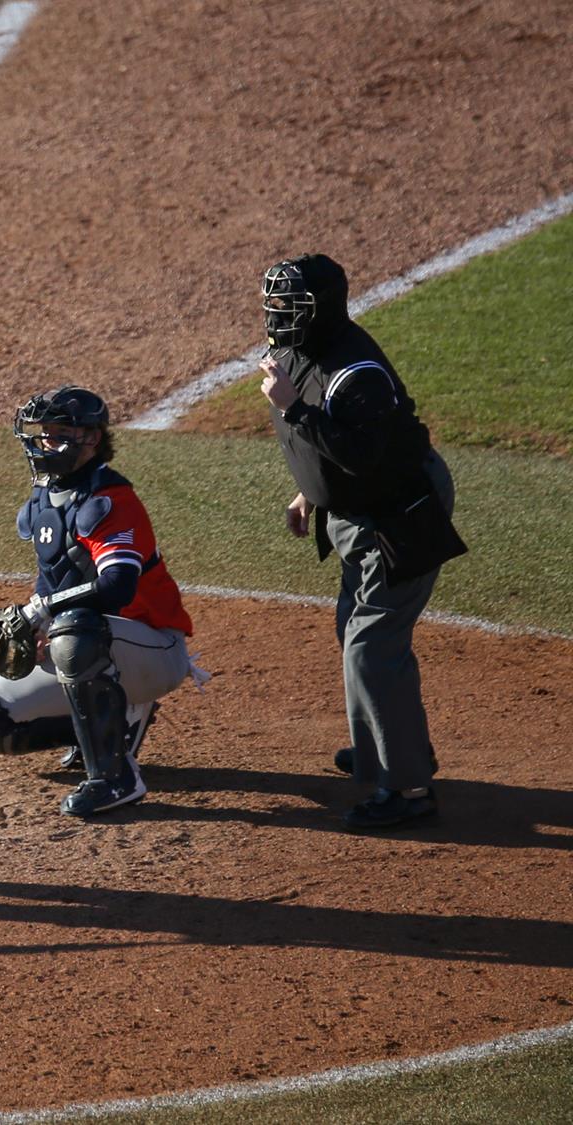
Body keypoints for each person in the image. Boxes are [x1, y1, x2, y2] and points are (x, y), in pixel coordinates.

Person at [257, 253, 465, 831]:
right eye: (272, 303)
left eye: (288, 305)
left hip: (398, 515)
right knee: (354, 630)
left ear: (319, 309)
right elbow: (328, 453)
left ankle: (409, 788)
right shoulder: (300, 352)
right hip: (358, 510)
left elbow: (370, 456)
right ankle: (381, 750)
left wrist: (293, 409)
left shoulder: (357, 373)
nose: (275, 314)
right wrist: (310, 493)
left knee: (373, 644)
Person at [0, 385, 198, 817]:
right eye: (42, 433)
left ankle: (114, 778)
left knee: (73, 632)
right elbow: (57, 580)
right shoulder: (45, 498)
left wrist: (45, 613)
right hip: (93, 643)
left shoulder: (111, 501)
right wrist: (38, 618)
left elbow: (118, 586)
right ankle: (115, 725)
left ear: (91, 439)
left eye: (58, 433)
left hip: (153, 646)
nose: (45, 443)